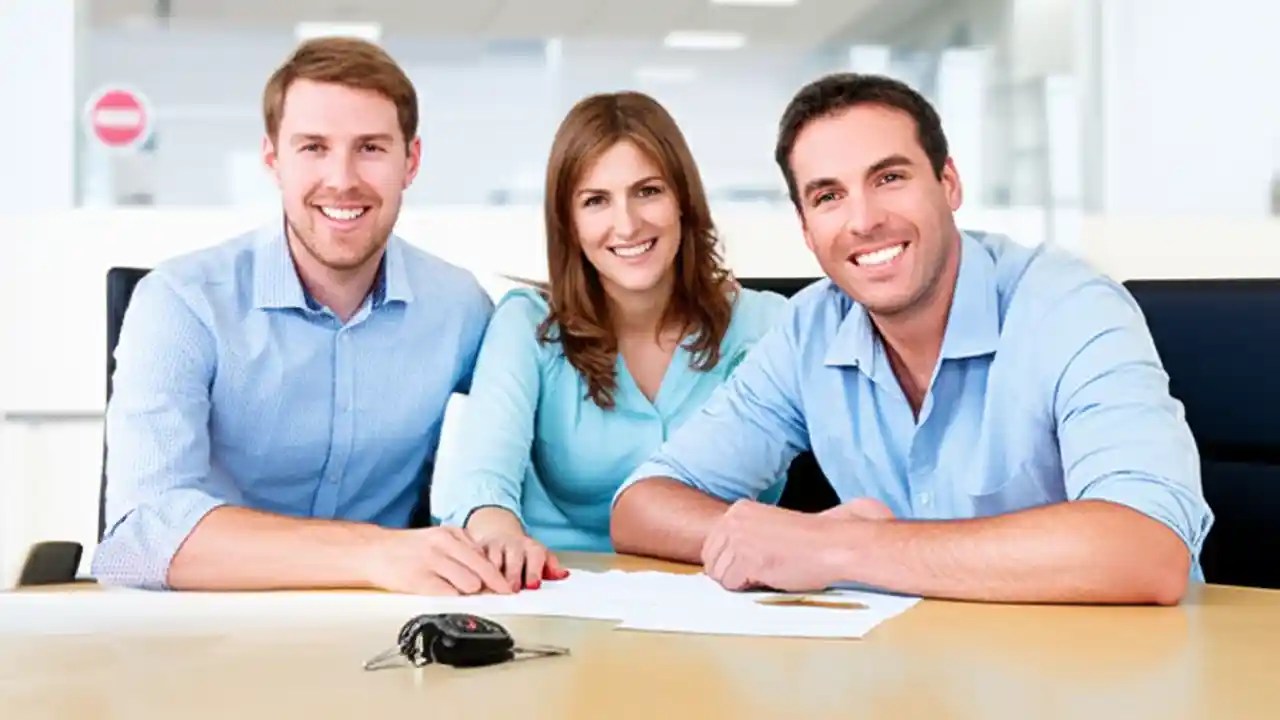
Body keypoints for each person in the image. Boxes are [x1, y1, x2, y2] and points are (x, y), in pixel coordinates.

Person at [610, 73, 1213, 606]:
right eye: (828, 196)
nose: (864, 219)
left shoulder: (1069, 307)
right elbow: (641, 505)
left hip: (1106, 668)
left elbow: (1148, 550)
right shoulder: (808, 331)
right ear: (805, 227)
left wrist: (841, 550)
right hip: (914, 667)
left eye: (890, 178)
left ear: (948, 183)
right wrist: (778, 539)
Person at [91, 37, 513, 596]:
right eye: (314, 147)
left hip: (387, 624)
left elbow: (504, 464)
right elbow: (140, 539)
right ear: (273, 160)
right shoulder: (182, 302)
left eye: (370, 148)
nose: (342, 179)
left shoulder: (461, 310)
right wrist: (372, 552)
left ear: (410, 162)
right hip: (211, 619)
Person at [430, 91, 788, 591]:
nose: (627, 224)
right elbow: (481, 478)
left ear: (683, 200)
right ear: (569, 223)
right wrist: (497, 535)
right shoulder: (529, 326)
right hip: (558, 594)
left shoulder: (770, 326)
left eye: (648, 191)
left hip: (732, 600)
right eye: (596, 201)